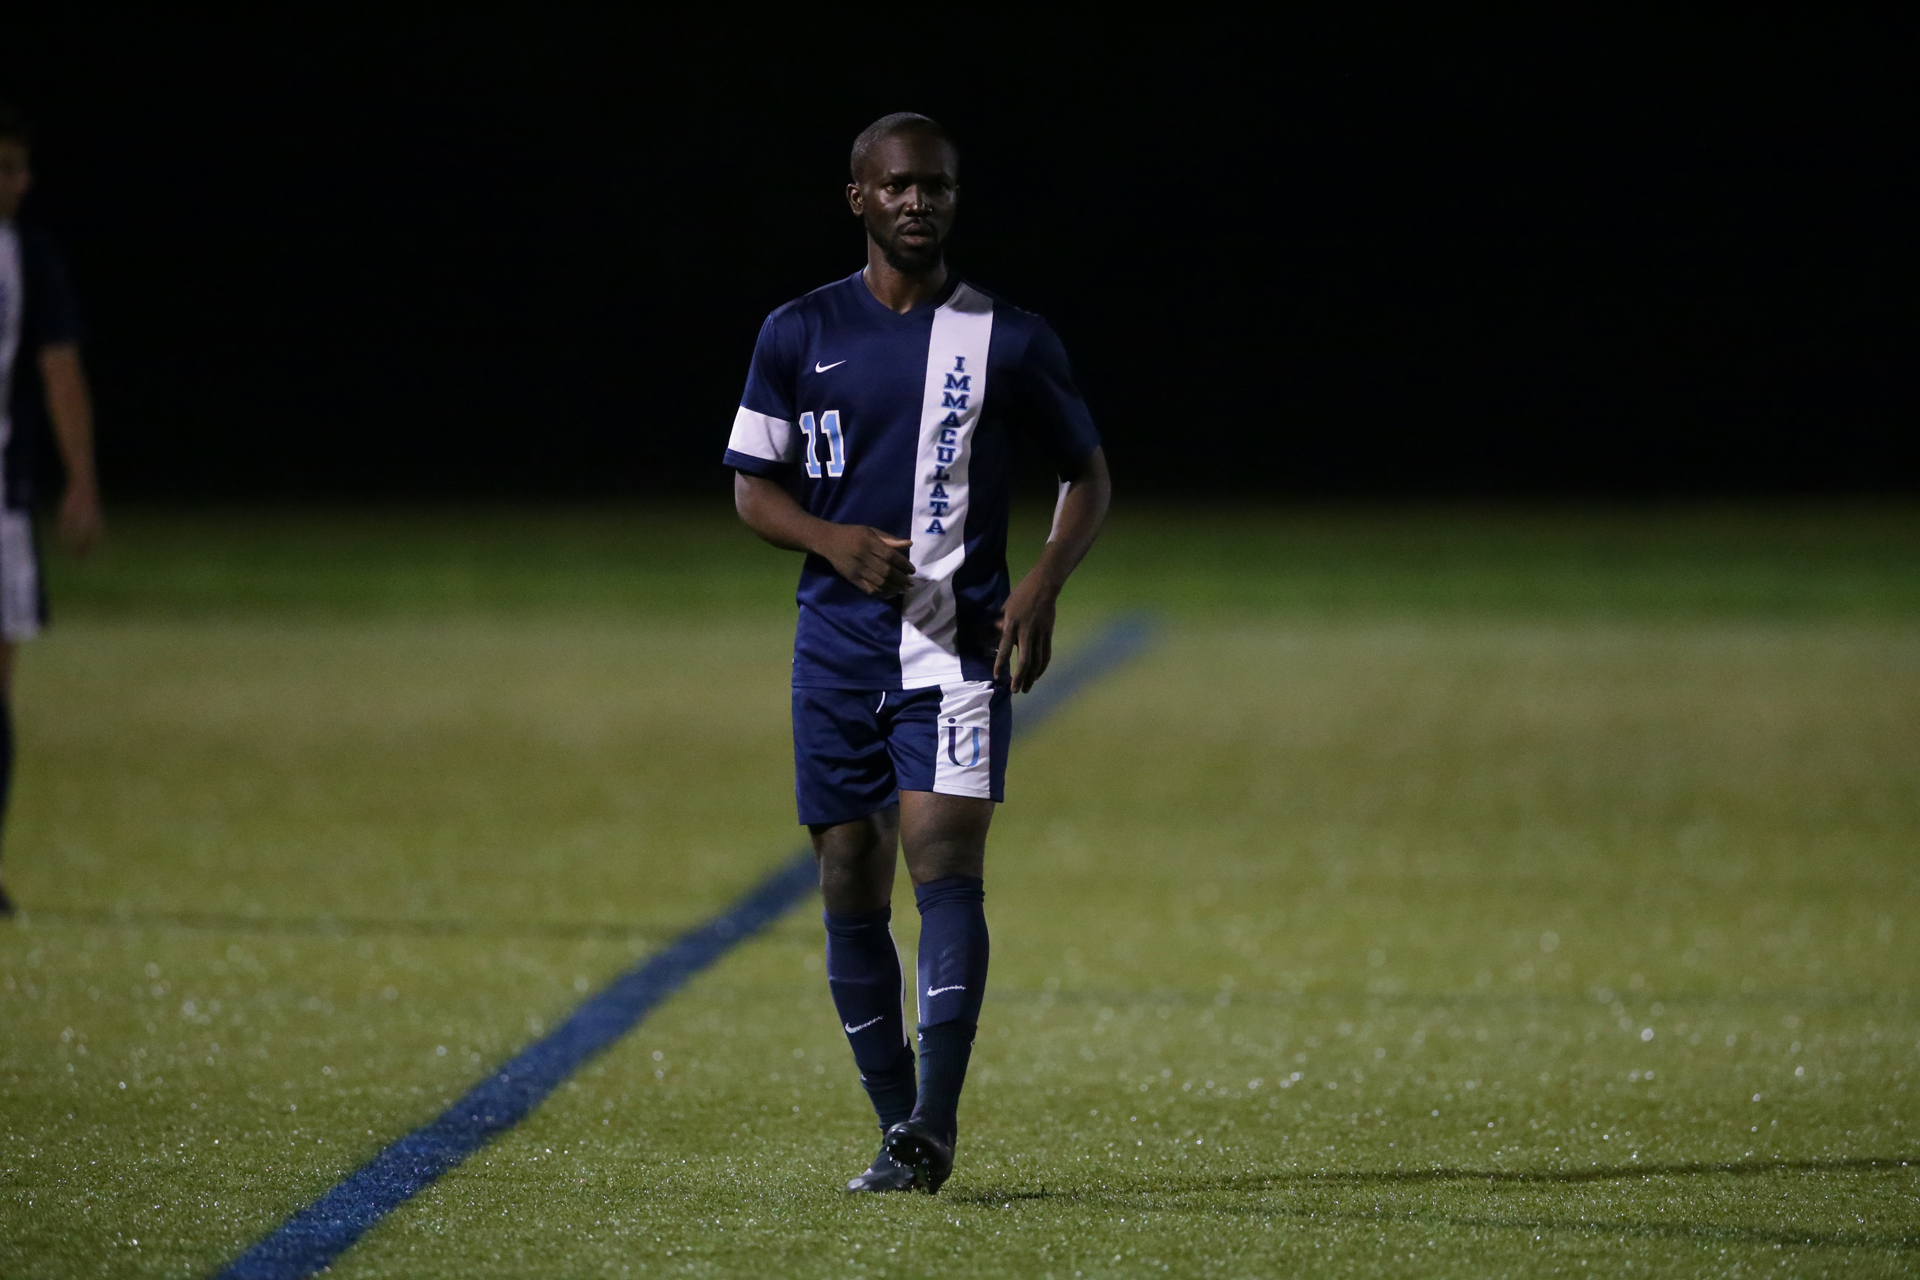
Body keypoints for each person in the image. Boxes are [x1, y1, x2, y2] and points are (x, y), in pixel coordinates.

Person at [725, 112, 1111, 1194]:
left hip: (953, 637)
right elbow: (751, 484)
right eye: (896, 185)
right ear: (859, 196)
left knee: (946, 863)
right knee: (850, 875)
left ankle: (933, 1120)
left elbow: (1090, 474)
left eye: (935, 186)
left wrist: (1041, 579)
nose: (917, 202)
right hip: (837, 646)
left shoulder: (1007, 335)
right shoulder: (797, 331)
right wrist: (826, 538)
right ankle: (898, 1126)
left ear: (954, 198)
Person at [0, 105, 103, 917]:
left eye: (20, 166)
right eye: (5, 167)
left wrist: (78, 480)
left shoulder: (28, 256)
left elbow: (60, 371)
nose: (21, 182)